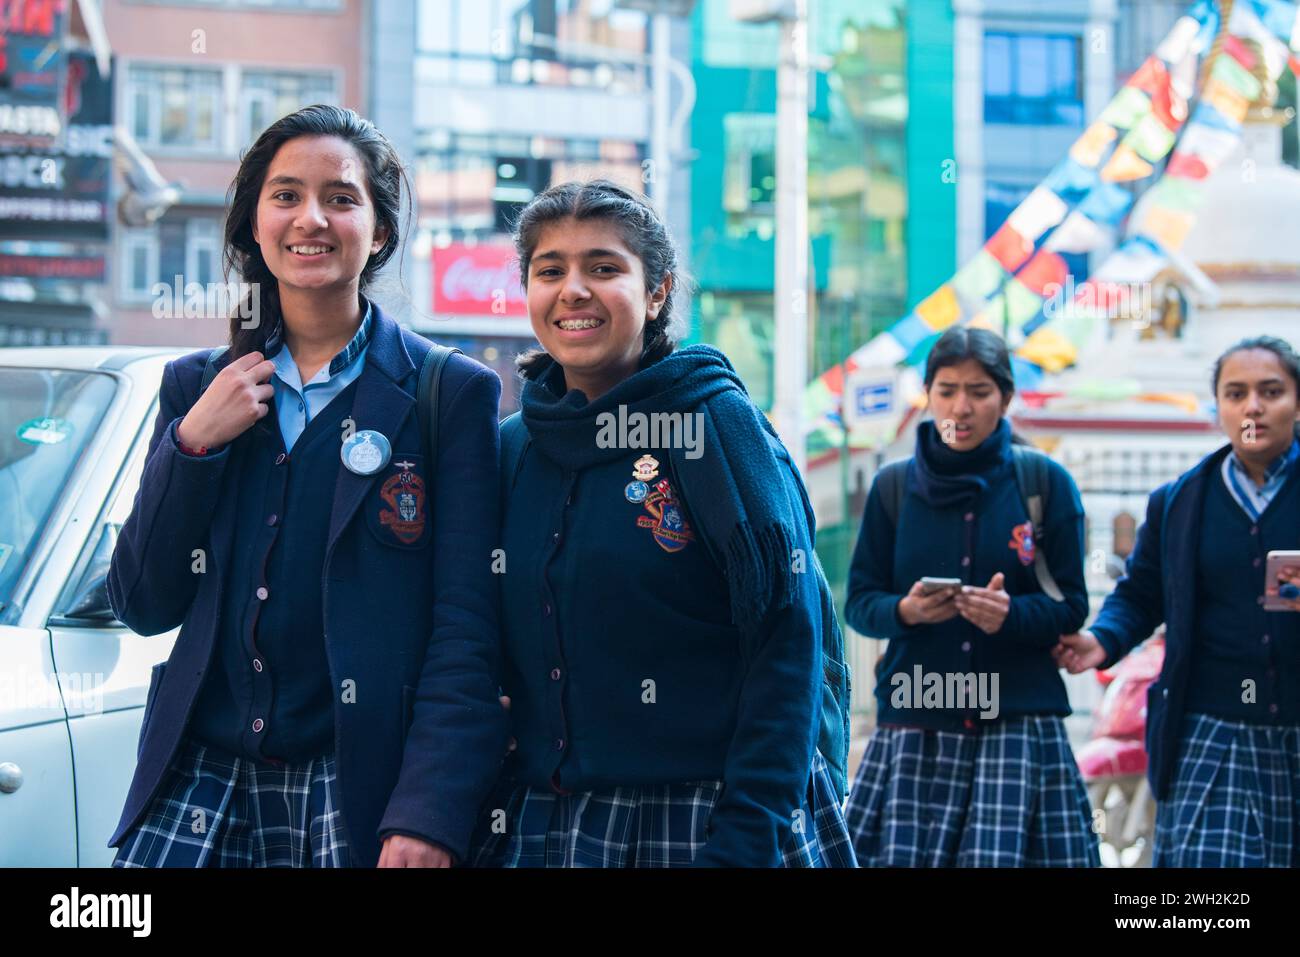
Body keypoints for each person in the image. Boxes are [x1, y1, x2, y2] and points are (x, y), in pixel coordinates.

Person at [107, 105, 507, 868]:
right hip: (201, 780)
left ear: (380, 230)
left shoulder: (447, 393)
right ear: (255, 223)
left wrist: (428, 809)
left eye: (342, 197)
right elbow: (143, 603)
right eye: (286, 195)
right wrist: (191, 444)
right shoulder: (199, 387)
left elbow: (467, 627)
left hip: (358, 788)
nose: (311, 218)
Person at [468, 180, 854, 867]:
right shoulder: (510, 448)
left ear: (656, 292)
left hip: (711, 822)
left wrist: (748, 831)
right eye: (549, 270)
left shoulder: (713, 427)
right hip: (547, 825)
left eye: (604, 268)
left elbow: (787, 647)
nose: (574, 289)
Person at [843, 325, 1098, 867]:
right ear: (928, 395)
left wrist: (1012, 615)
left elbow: (1073, 605)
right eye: (947, 390)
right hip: (918, 724)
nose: (962, 406)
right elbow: (861, 602)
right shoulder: (893, 487)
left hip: (1017, 727)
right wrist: (906, 611)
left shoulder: (1045, 483)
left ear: (1005, 398)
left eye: (980, 392)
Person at [1056, 335, 1300, 867]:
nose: (1253, 406)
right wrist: (1102, 641)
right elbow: (1141, 593)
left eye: (1271, 391)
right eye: (1235, 394)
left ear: (1297, 402)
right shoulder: (1181, 501)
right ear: (1219, 408)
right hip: (1210, 729)